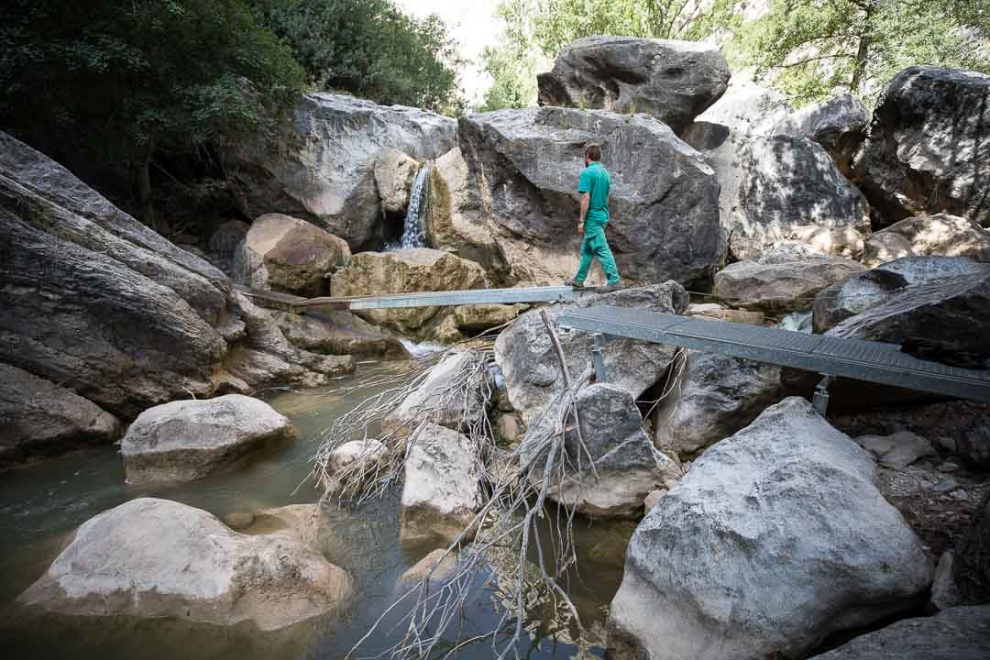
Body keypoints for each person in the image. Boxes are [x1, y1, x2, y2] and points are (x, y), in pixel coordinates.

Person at [565, 143, 621, 292]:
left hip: (593, 218)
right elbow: (607, 197)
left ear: (587, 156)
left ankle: (614, 280)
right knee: (588, 248)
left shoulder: (588, 173)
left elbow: (586, 198)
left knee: (602, 248)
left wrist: (582, 220)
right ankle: (579, 280)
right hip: (602, 215)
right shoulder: (605, 173)